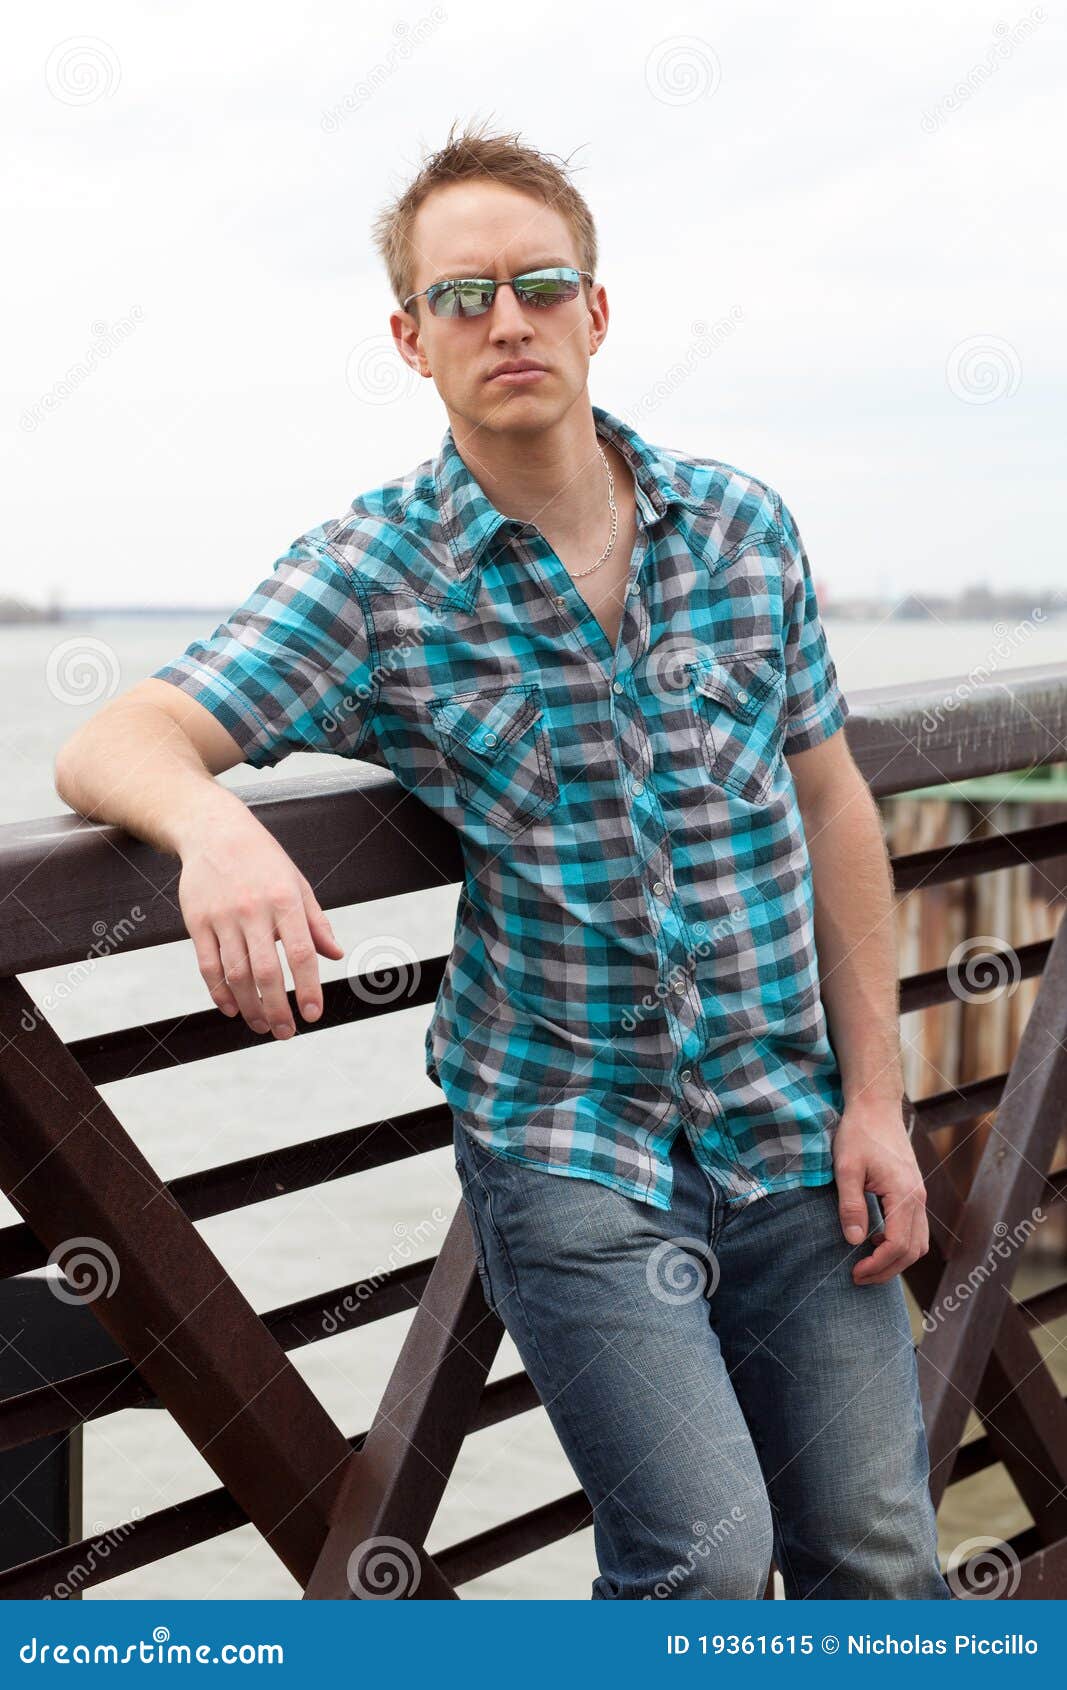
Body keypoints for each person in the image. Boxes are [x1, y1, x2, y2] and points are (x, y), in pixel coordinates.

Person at [54, 118, 950, 1601]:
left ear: (597, 311)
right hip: (572, 1143)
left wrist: (878, 1099)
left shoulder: (741, 529)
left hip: (792, 1128)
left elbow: (834, 804)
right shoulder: (377, 574)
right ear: (411, 340)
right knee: (707, 1571)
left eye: (539, 283)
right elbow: (121, 739)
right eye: (462, 297)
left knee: (882, 1562)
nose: (507, 318)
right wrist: (216, 831)